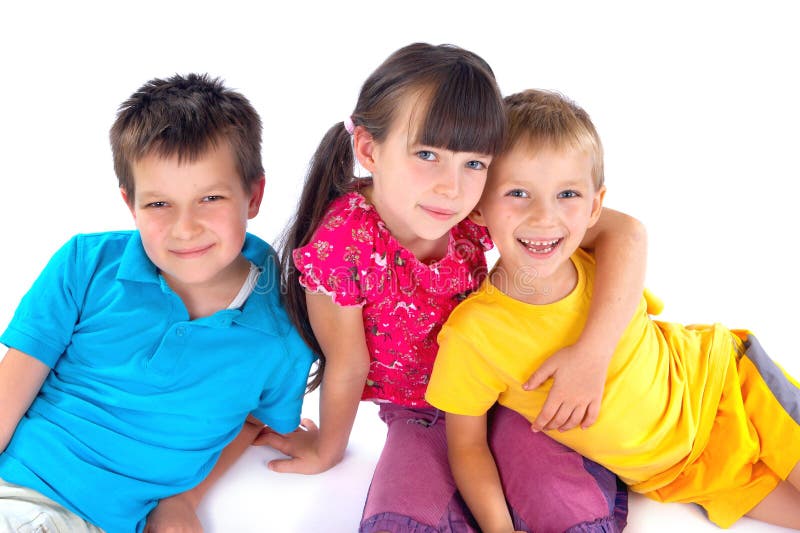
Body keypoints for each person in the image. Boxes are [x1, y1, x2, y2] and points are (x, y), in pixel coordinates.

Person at [263, 43, 644, 532]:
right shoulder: (342, 246)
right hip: (420, 413)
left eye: (474, 163)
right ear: (368, 150)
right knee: (404, 519)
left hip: (506, 387)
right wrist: (326, 449)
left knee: (561, 504)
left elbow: (624, 232)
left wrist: (593, 353)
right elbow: (348, 362)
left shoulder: (478, 207)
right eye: (427, 154)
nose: (453, 186)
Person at [425, 88, 800, 531]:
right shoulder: (473, 335)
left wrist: (590, 355)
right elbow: (467, 448)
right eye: (518, 192)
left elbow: (631, 234)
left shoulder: (602, 260)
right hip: (682, 473)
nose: (544, 216)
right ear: (479, 207)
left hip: (727, 384)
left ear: (595, 205)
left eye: (567, 194)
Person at [0, 73, 315, 533]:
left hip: (100, 521)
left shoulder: (284, 328)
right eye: (159, 204)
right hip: (16, 490)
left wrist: (182, 500)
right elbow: (11, 390)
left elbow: (250, 417)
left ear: (254, 195)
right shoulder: (85, 265)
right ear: (131, 204)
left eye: (209, 198)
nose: (185, 229)